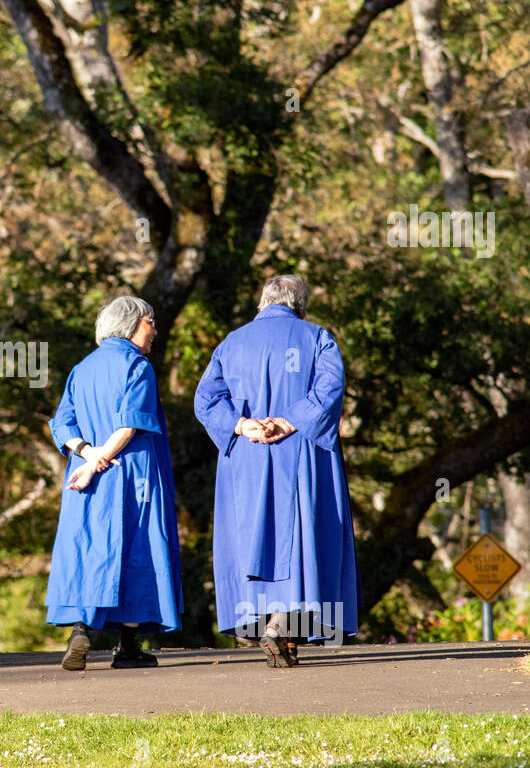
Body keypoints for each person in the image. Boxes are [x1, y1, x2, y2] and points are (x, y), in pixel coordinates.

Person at [193, 275, 360, 667]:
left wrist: (242, 425)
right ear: (300, 307)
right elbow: (329, 391)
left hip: (248, 455)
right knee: (301, 540)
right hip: (300, 451)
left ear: (262, 304)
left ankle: (276, 627)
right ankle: (279, 626)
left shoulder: (231, 342)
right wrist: (287, 421)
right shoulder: (317, 337)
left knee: (258, 540)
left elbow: (206, 400)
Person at [46, 297, 183, 670]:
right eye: (150, 322)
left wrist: (88, 455)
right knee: (138, 549)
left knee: (90, 547)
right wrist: (100, 460)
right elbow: (130, 423)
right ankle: (127, 647)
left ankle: (81, 630)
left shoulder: (82, 367)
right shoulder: (137, 365)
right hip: (130, 471)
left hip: (83, 478)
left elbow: (62, 424)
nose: (155, 330)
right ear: (131, 324)